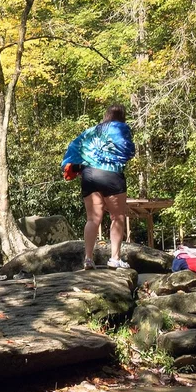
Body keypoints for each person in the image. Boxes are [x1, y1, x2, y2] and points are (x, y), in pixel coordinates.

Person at [61, 106, 137, 270]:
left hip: (89, 175)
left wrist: (76, 165)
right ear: (122, 117)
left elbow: (74, 147)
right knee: (117, 217)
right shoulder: (122, 128)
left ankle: (88, 259)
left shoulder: (90, 131)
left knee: (92, 219)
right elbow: (130, 151)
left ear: (106, 116)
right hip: (111, 174)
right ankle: (115, 259)